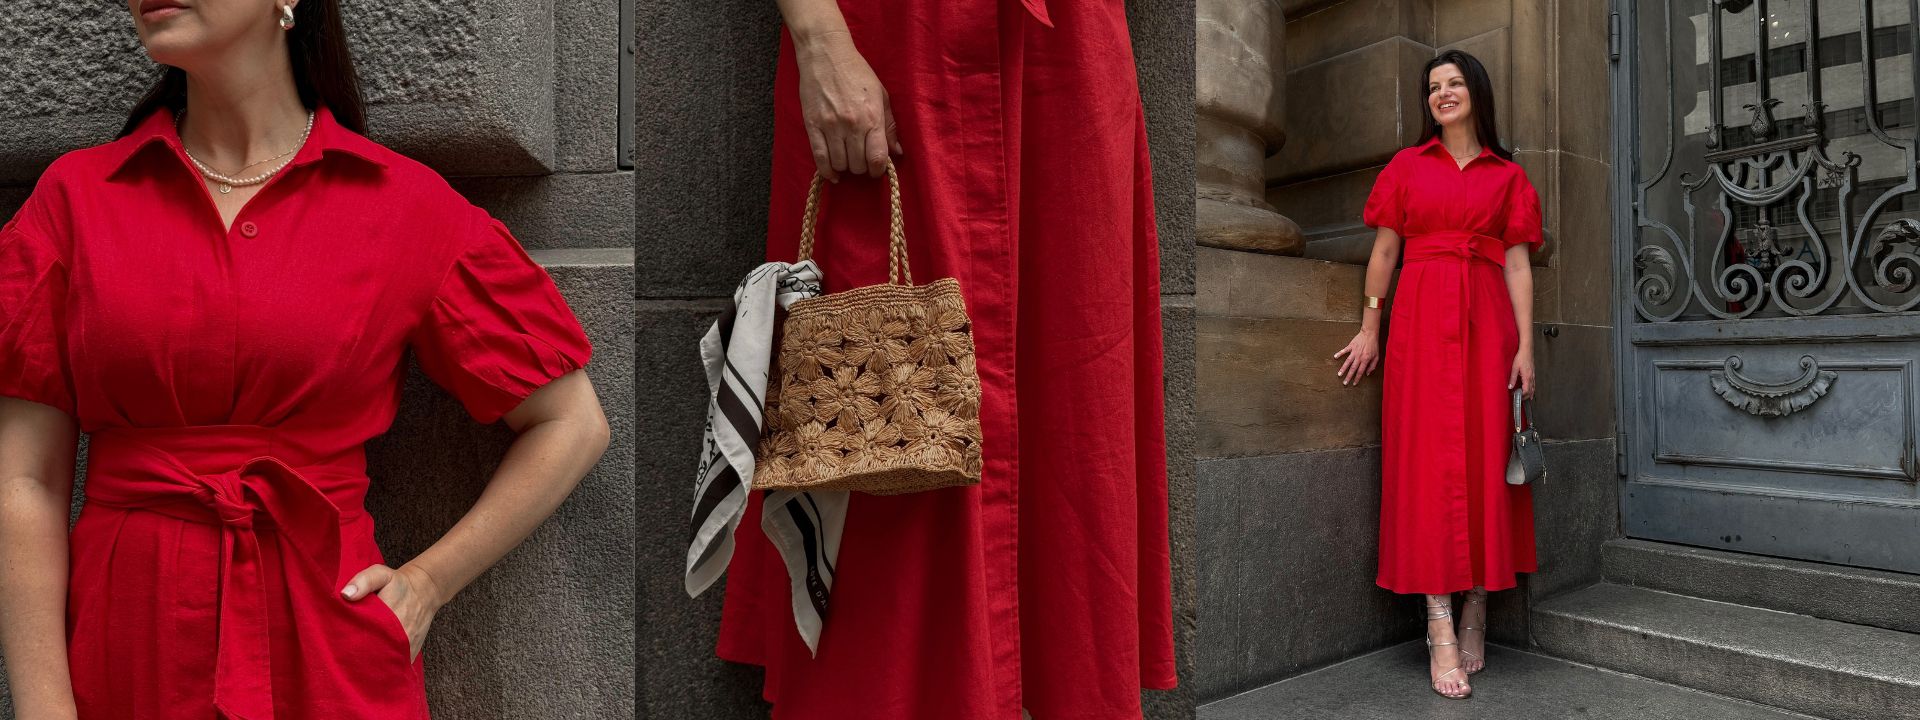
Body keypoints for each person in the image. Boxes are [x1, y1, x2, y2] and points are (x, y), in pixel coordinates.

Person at [0, 1, 611, 717]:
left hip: (330, 638)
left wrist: (428, 583)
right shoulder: (75, 200)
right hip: (128, 641)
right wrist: (45, 708)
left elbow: (572, 422)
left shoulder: (403, 205)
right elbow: (27, 481)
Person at [711, 0, 1176, 718]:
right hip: (890, 46)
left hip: (1066, 55)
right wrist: (819, 36)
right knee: (871, 423)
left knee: (1077, 411)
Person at [1333, 48, 1544, 700]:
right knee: (1426, 471)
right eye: (1433, 87)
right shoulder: (1406, 167)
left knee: (1485, 465)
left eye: (1454, 83)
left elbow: (1517, 265)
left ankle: (1478, 604)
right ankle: (1440, 622)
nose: (1443, 94)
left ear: (1476, 92)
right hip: (1420, 324)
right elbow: (1385, 253)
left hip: (1489, 330)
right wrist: (1371, 326)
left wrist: (1526, 348)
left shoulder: (1507, 176)